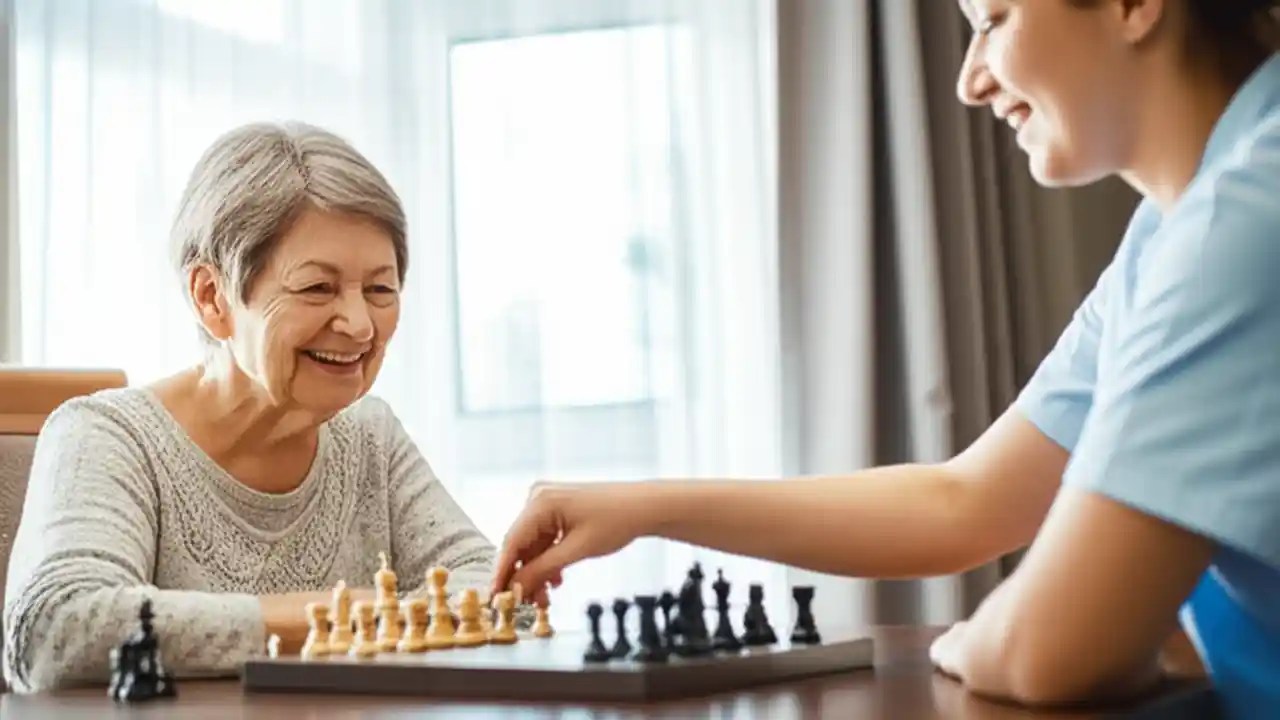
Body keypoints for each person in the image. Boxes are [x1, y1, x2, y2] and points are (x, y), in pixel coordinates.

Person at [492, 0, 1280, 715]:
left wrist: (981, 637)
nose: (971, 81)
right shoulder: (1174, 231)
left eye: (995, 19)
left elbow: (1044, 653)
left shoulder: (1242, 218)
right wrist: (646, 508)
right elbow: (964, 500)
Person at [3, 122, 506, 692]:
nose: (361, 325)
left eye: (380, 290)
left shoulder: (371, 435)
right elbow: (51, 633)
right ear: (211, 297)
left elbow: (491, 587)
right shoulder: (106, 436)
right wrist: (327, 620)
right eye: (317, 288)